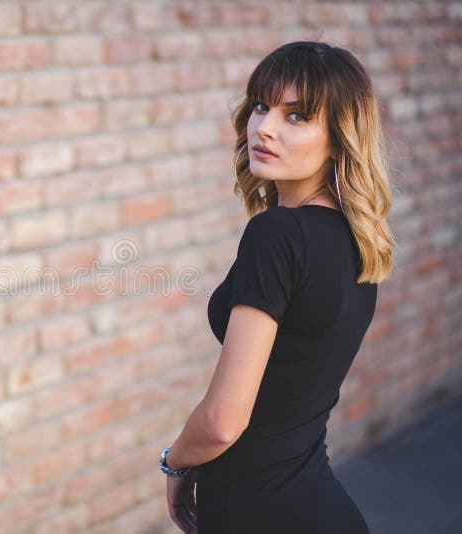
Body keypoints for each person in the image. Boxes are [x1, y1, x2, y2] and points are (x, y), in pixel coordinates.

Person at [158, 41, 396, 533]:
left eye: (297, 115)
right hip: (323, 508)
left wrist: (176, 462)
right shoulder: (358, 241)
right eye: (262, 106)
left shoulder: (278, 236)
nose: (263, 126)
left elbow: (224, 419)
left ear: (339, 136)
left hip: (258, 510)